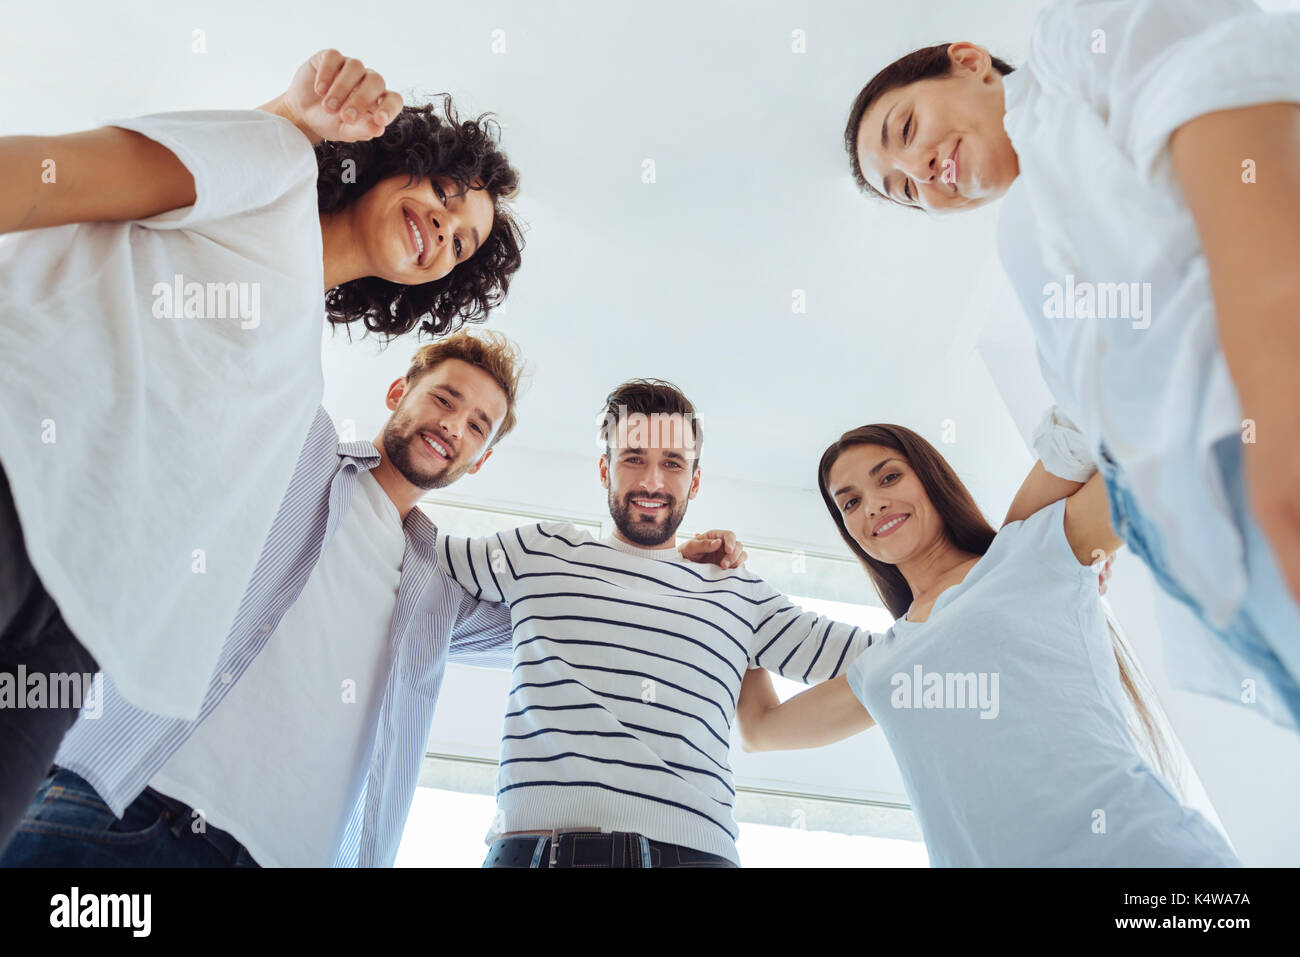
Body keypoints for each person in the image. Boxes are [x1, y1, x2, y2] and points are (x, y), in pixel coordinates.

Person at [0, 49, 525, 851]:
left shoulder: (294, 373)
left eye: (459, 243)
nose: (444, 231)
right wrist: (288, 114)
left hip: (75, 622)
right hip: (19, 482)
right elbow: (42, 176)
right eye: (447, 197)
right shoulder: (274, 166)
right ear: (403, 163)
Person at [840, 0, 1300, 728]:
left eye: (906, 132)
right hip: (1208, 554)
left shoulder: (1068, 44)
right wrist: (994, 572)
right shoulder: (1026, 239)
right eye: (906, 189)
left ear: (969, 61)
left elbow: (1224, 83)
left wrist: (1278, 411)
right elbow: (1082, 431)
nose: (921, 172)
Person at [1, 330, 523, 868]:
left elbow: (559, 625)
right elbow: (251, 347)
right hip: (130, 808)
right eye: (444, 398)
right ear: (398, 391)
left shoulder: (441, 591)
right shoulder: (299, 447)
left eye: (477, 426)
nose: (452, 425)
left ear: (478, 461)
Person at [736, 423, 1241, 867]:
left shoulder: (1030, 553)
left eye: (889, 477)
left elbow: (1135, 455)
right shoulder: (881, 667)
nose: (873, 504)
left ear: (931, 480)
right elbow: (760, 729)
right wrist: (730, 590)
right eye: (849, 502)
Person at [436, 379, 875, 868]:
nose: (652, 482)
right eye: (633, 458)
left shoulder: (736, 590)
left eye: (672, 463)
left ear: (695, 480)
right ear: (605, 470)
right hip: (538, 851)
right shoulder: (538, 551)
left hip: (695, 855)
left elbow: (877, 658)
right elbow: (405, 559)